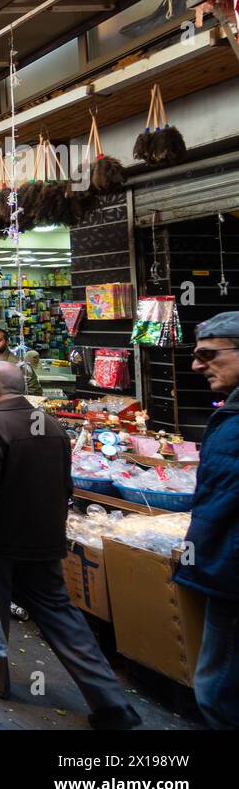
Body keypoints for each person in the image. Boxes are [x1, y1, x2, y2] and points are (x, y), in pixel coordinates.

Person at [0, 361, 142, 729]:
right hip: (45, 539)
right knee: (63, 618)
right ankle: (113, 704)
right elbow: (64, 486)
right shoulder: (48, 424)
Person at [175, 312, 239, 729]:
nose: (197, 365)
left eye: (208, 354)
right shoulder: (231, 414)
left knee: (218, 694)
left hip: (230, 573)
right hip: (223, 570)